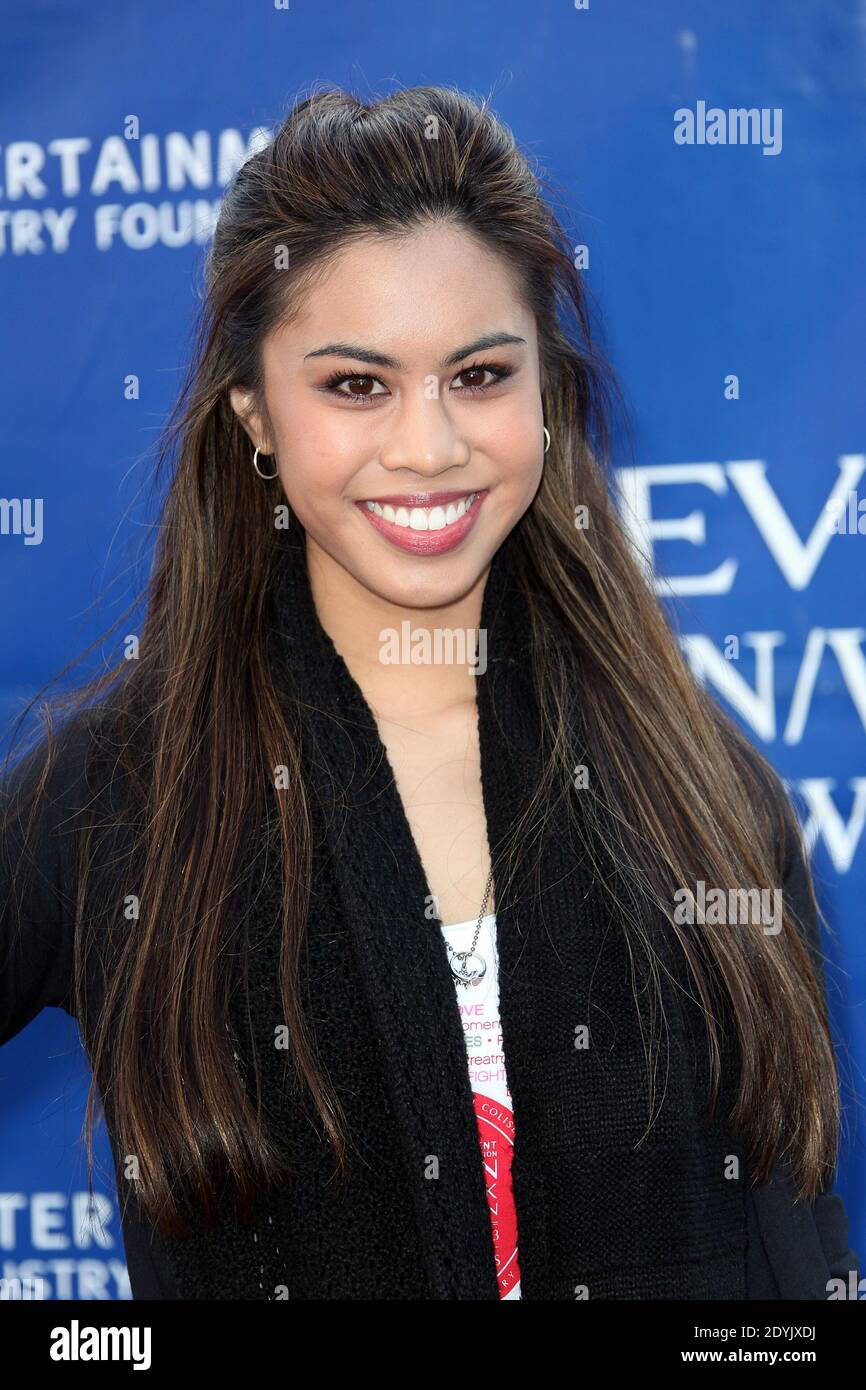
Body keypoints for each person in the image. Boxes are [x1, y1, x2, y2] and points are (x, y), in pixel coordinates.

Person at [0, 85, 858, 1301]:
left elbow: (793, 1234)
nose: (428, 444)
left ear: (545, 395)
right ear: (254, 411)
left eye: (477, 374)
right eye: (356, 385)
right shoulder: (125, 792)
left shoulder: (700, 784)